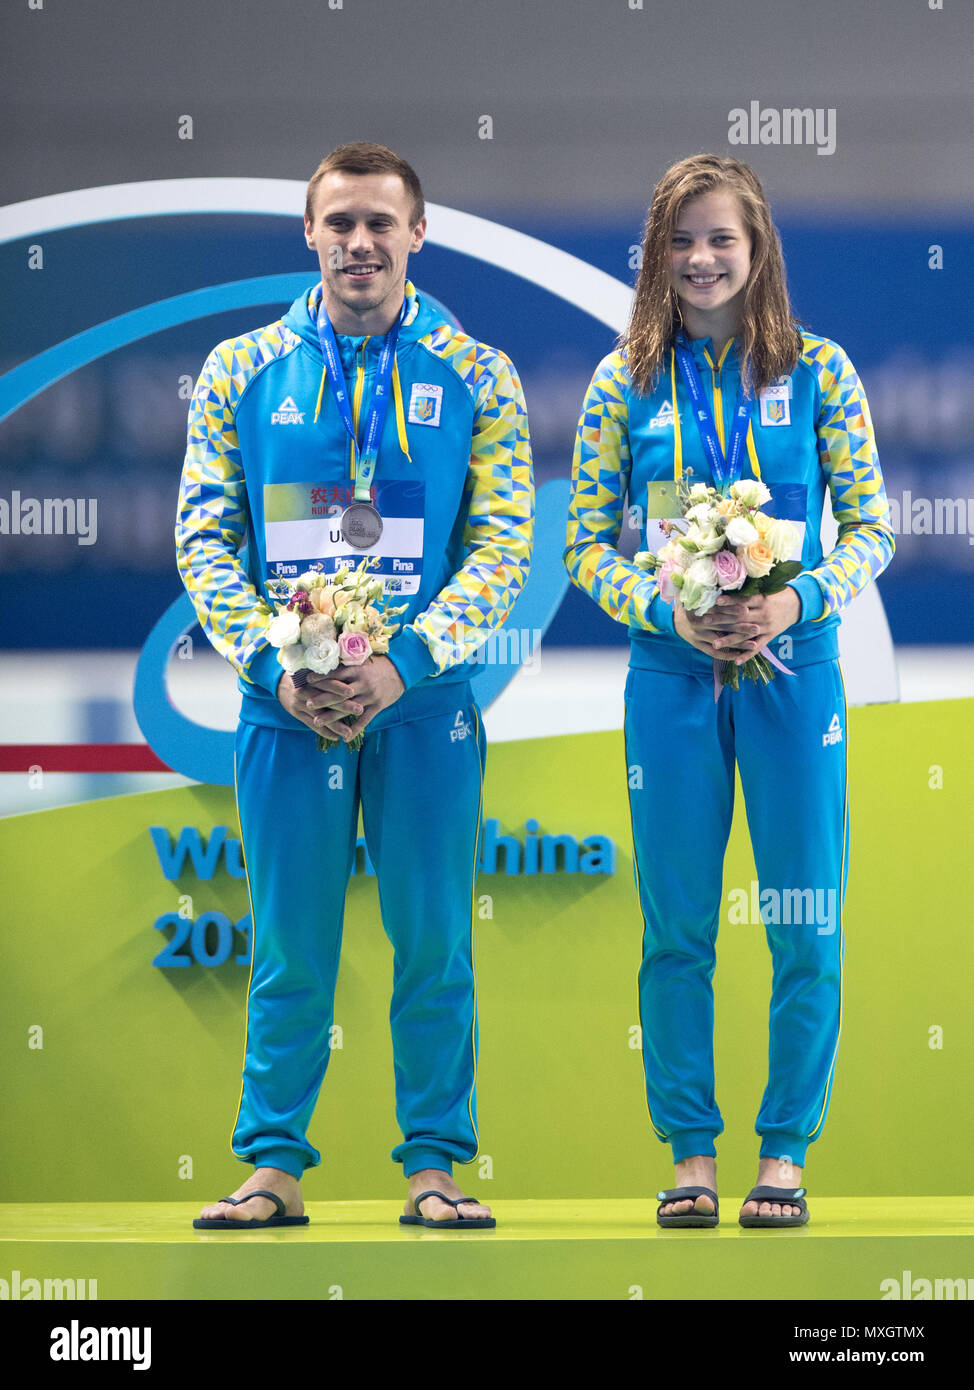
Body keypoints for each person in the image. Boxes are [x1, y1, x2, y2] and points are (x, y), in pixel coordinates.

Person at [176, 142, 533, 1230]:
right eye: (339, 223)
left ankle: (434, 1165)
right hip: (285, 708)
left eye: (382, 222)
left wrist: (402, 662)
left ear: (417, 235)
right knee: (289, 941)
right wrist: (272, 665)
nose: (360, 242)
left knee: (432, 939)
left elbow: (505, 546)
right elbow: (203, 536)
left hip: (422, 707)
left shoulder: (478, 373)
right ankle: (272, 1166)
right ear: (309, 234)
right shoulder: (240, 369)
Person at [564, 154, 893, 1228]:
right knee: (676, 927)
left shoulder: (821, 372)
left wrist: (790, 608)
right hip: (669, 680)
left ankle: (785, 1150)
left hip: (795, 677)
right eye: (680, 240)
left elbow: (872, 528)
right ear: (656, 255)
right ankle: (691, 1153)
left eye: (720, 240)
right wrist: (669, 612)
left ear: (757, 254)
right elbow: (582, 546)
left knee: (803, 918)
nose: (700, 259)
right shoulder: (623, 382)